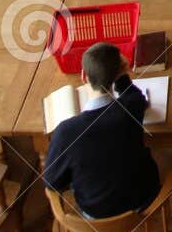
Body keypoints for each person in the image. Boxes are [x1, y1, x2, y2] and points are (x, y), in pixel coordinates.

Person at [43, 41, 160, 220]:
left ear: (84, 76)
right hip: (143, 198)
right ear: (117, 75)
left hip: (97, 213)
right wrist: (121, 74)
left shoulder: (66, 132)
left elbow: (52, 181)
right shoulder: (131, 107)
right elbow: (134, 95)